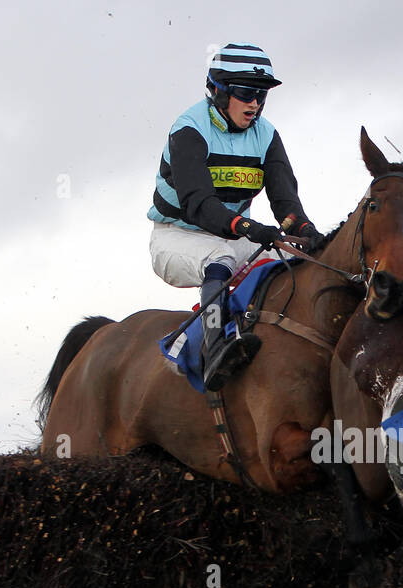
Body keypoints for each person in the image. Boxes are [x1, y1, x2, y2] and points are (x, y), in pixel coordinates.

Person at [148, 42, 325, 391]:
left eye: (261, 94)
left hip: (233, 234)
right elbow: (199, 204)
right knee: (221, 258)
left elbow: (286, 202)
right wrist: (248, 227)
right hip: (177, 236)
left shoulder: (267, 134)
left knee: (301, 261)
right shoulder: (189, 130)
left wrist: (309, 233)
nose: (255, 103)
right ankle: (214, 354)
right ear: (218, 91)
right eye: (245, 93)